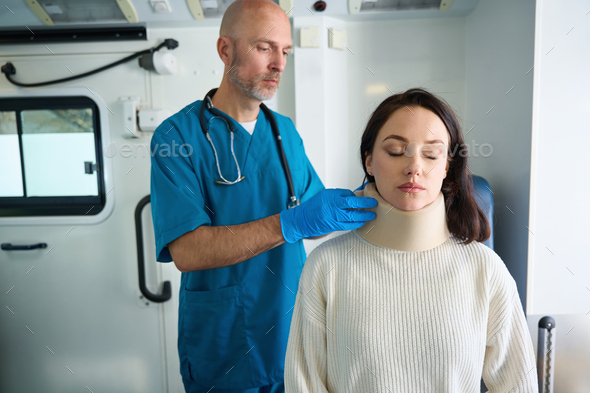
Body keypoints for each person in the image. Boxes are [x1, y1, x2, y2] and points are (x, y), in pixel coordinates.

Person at [149, 1, 377, 392]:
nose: (279, 64)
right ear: (225, 50)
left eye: (285, 51)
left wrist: (372, 199)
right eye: (264, 48)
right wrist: (291, 223)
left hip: (290, 333)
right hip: (222, 341)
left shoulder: (284, 131)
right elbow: (187, 251)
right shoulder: (177, 138)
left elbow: (314, 218)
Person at [284, 88, 538, 392]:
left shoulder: (485, 270)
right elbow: (303, 384)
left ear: (446, 167)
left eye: (431, 154)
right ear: (368, 162)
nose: (414, 167)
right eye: (394, 151)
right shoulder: (326, 267)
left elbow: (518, 386)